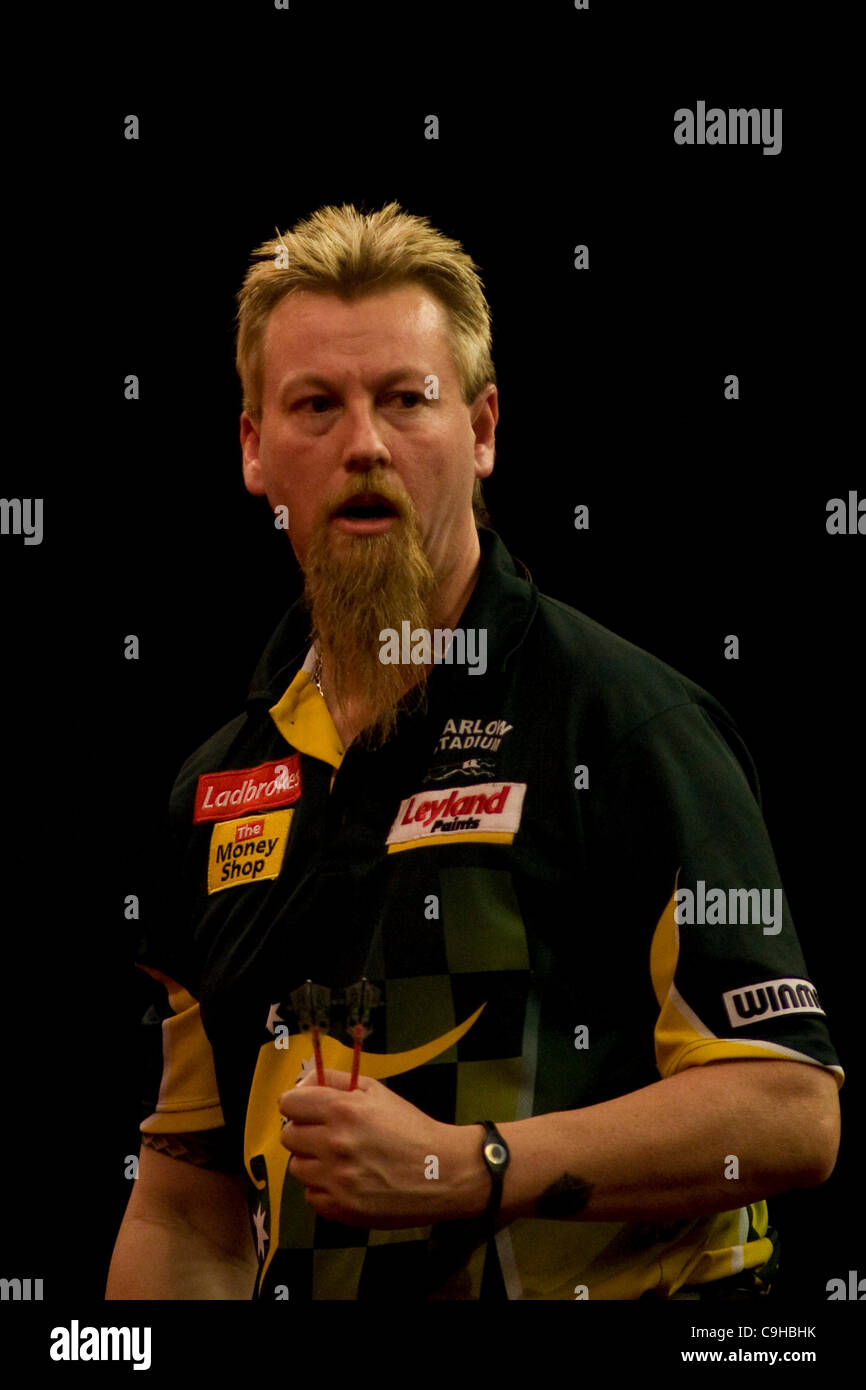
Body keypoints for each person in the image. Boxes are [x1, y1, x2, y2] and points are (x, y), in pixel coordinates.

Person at [106, 202, 842, 1302]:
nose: (363, 442)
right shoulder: (214, 789)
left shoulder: (624, 723)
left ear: (483, 427)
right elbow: (186, 1200)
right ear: (254, 450)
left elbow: (788, 1111)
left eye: (406, 398)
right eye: (316, 405)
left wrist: (466, 1166)